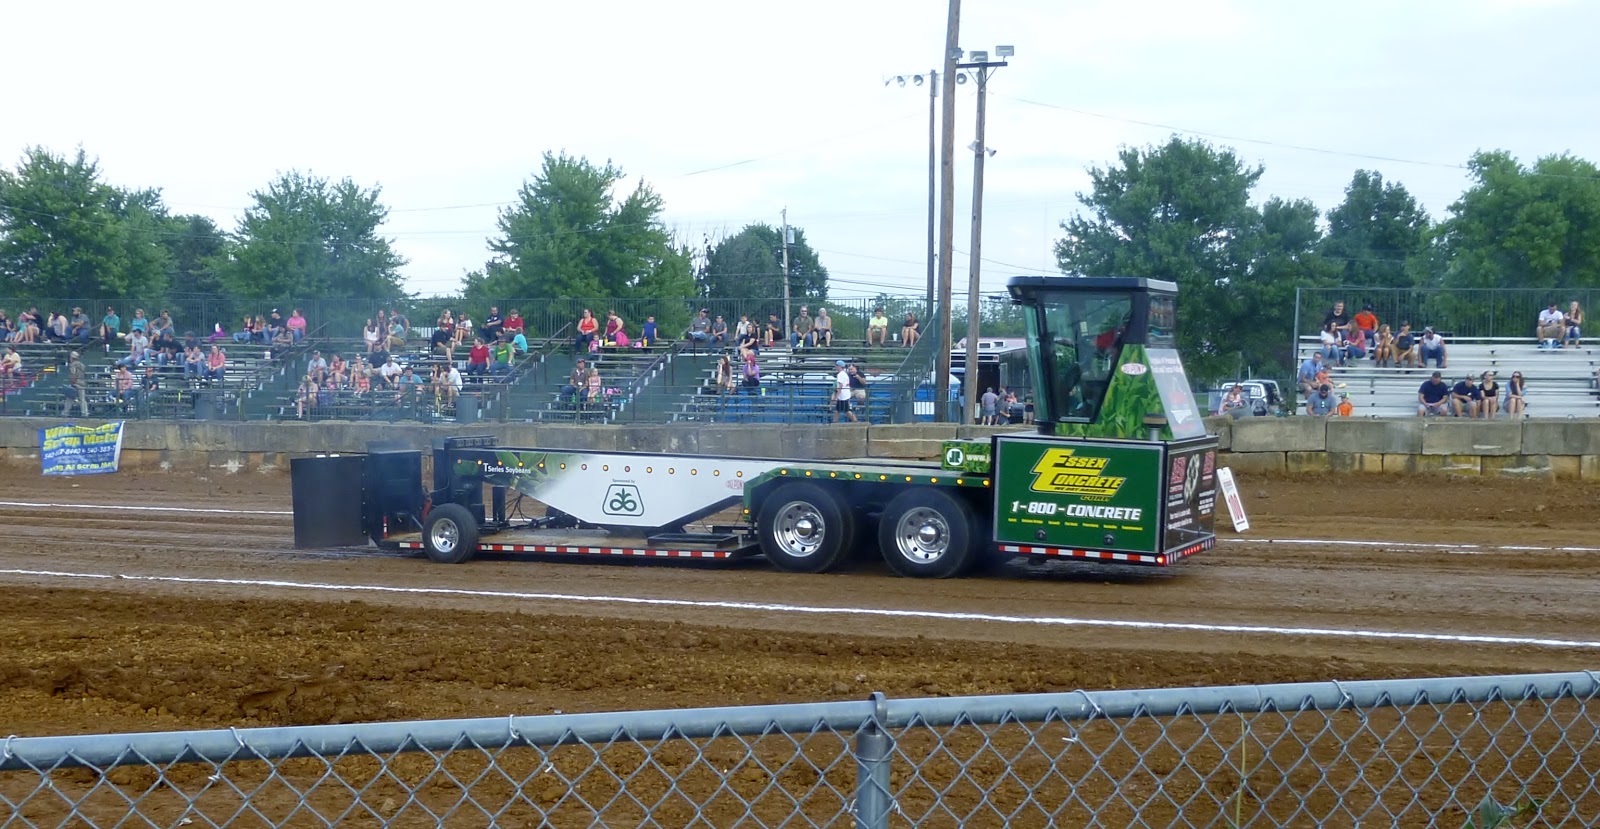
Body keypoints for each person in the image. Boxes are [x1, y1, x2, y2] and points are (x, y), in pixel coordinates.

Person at [61, 352, 89, 417]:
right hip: (82, 383)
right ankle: (85, 413)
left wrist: (72, 382)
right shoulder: (82, 365)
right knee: (82, 399)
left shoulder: (73, 364)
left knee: (70, 398)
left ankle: (65, 413)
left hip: (75, 383)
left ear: (72, 358)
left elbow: (73, 374)